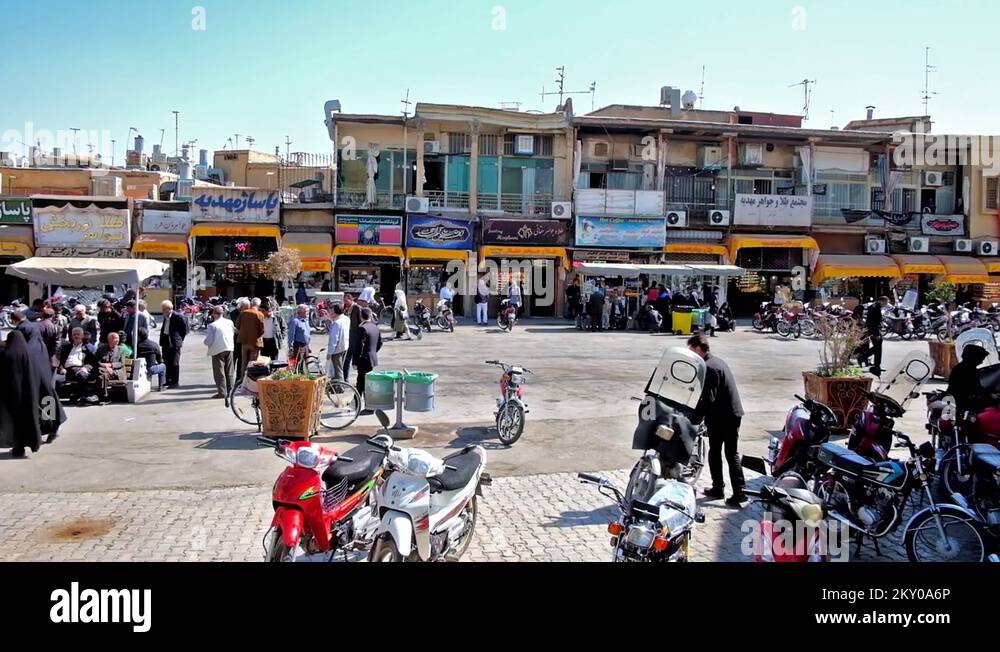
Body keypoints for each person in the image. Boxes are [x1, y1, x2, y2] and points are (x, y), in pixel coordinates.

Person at [688, 334, 746, 507]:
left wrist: (694, 418)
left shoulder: (710, 367)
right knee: (718, 452)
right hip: (730, 414)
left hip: (724, 416)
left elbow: (708, 399)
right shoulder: (717, 362)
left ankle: (738, 492)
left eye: (692, 350)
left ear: (699, 348)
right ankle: (719, 488)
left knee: (728, 453)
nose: (691, 353)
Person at [0, 330, 43, 458]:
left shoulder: (5, 354)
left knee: (13, 422)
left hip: (10, 395)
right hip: (27, 394)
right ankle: (30, 443)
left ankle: (17, 447)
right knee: (28, 420)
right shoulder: (29, 354)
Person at [946, 343, 993, 419]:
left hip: (958, 399)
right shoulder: (968, 370)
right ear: (973, 358)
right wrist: (990, 395)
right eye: (980, 359)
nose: (981, 362)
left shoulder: (961, 368)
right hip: (961, 402)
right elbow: (975, 388)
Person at [57, 326, 101, 404]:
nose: (76, 336)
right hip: (66, 370)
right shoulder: (66, 347)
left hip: (80, 369)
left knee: (81, 375)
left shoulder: (88, 348)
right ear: (71, 336)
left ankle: (82, 396)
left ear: (82, 335)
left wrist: (85, 368)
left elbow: (93, 362)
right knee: (55, 379)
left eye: (78, 334)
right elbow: (60, 361)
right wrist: (61, 368)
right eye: (74, 335)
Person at [204, 306, 235, 399]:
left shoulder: (212, 325)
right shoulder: (229, 322)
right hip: (229, 348)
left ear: (214, 314)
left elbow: (209, 340)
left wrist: (205, 343)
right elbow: (233, 332)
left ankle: (222, 393)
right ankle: (231, 391)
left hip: (217, 349)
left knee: (219, 372)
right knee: (230, 371)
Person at [159, 300, 188, 388]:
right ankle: (168, 380)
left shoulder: (178, 316)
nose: (163, 311)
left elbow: (185, 330)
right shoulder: (165, 317)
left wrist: (179, 339)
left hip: (175, 342)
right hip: (166, 341)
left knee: (174, 362)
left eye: (164, 309)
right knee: (166, 361)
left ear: (169, 309)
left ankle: (175, 382)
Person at [355, 307, 383, 399]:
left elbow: (359, 347)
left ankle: (361, 404)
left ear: (361, 316)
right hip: (372, 359)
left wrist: (355, 361)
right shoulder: (375, 327)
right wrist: (373, 352)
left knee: (361, 382)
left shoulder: (362, 328)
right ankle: (356, 402)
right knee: (364, 382)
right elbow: (380, 343)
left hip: (364, 359)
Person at [235, 297, 265, 371]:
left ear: (251, 304)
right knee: (252, 363)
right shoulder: (260, 314)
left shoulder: (243, 313)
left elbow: (237, 326)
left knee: (244, 362)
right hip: (255, 342)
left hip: (244, 342)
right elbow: (262, 330)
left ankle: (242, 379)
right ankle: (249, 381)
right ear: (259, 305)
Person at [326, 303, 350, 382]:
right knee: (340, 367)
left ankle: (339, 387)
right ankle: (339, 384)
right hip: (344, 346)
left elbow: (334, 339)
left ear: (334, 311)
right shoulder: (346, 319)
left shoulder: (337, 323)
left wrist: (330, 352)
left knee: (337, 370)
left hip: (337, 349)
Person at [865, 296, 887, 376]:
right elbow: (872, 322)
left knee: (878, 348)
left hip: (874, 330)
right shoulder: (875, 308)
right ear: (881, 301)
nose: (886, 304)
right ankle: (864, 356)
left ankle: (877, 365)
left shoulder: (876, 306)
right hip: (874, 331)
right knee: (877, 348)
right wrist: (875, 333)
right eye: (885, 302)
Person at [342, 294, 362, 382]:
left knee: (356, 359)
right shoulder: (345, 308)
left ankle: (360, 379)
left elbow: (361, 322)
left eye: (346, 301)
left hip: (356, 336)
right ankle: (345, 378)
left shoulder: (357, 308)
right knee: (346, 358)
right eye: (344, 301)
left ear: (351, 300)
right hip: (347, 336)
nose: (345, 303)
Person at [39, 308, 63, 372]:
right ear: (52, 316)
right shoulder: (54, 326)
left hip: (39, 354)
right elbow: (57, 343)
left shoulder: (37, 324)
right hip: (50, 354)